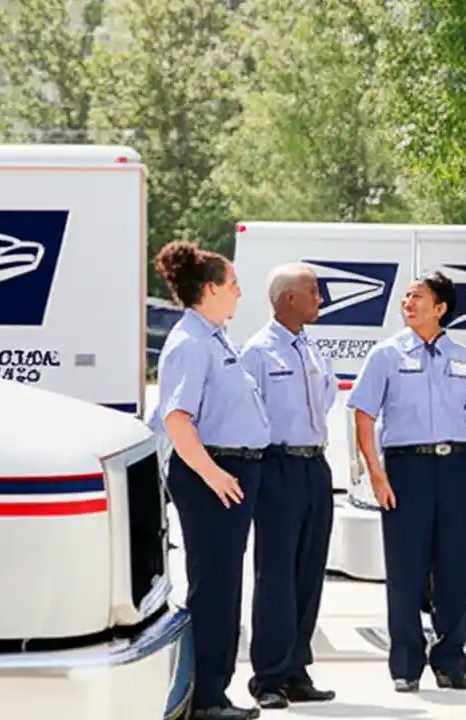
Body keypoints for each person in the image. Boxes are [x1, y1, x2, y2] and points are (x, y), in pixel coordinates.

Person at [346, 270, 466, 693]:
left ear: (441, 308)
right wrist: (376, 473)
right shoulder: (385, 355)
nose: (408, 304)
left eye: (418, 297)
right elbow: (363, 414)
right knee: (405, 571)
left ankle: (451, 663)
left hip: (456, 470)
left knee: (456, 568)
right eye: (407, 297)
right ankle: (406, 666)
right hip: (406, 470)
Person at [150, 239, 269, 720]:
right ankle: (203, 699)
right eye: (235, 285)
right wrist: (215, 475)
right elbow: (177, 420)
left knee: (224, 586)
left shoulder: (215, 336)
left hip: (228, 471)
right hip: (211, 474)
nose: (240, 294)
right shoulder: (191, 342)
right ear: (212, 289)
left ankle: (215, 691)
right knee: (213, 588)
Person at [239, 264, 339, 707]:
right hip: (277, 467)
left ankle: (297, 668)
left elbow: (327, 399)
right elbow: (248, 412)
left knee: (308, 572)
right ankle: (269, 677)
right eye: (312, 291)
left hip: (314, 466)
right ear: (287, 299)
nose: (320, 298)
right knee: (276, 574)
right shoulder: (259, 352)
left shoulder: (312, 349)